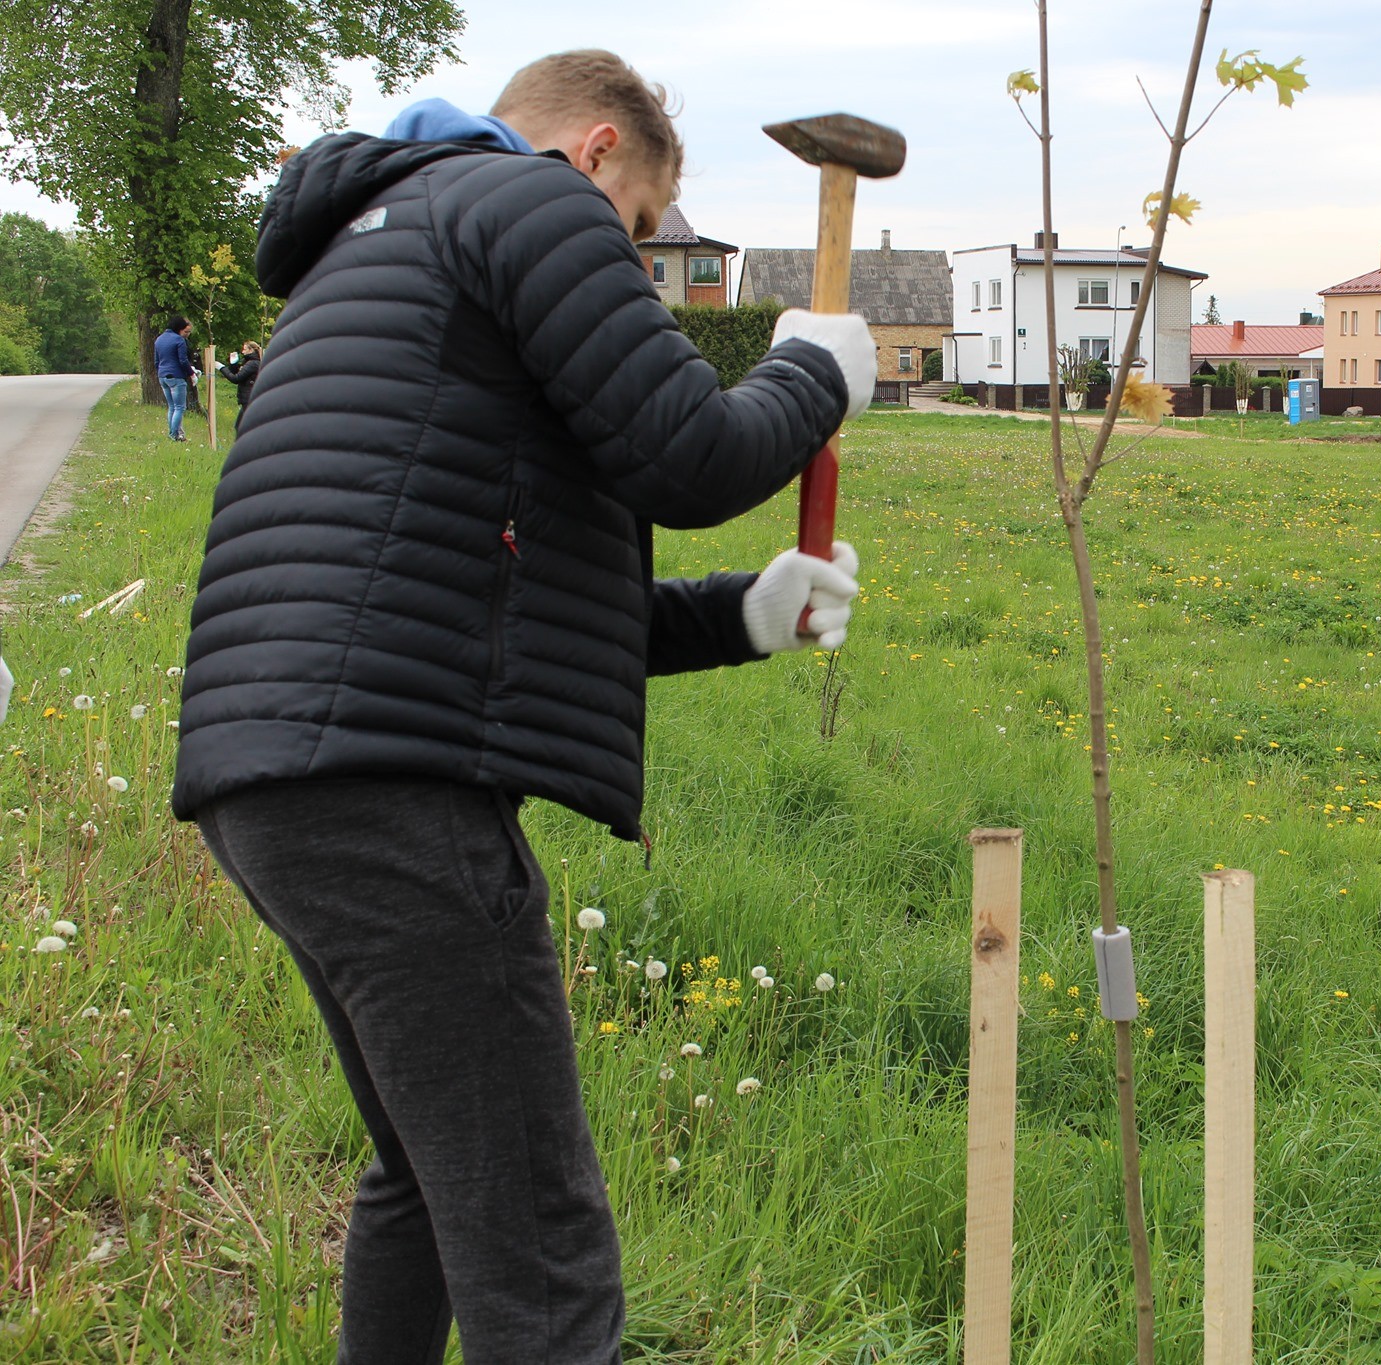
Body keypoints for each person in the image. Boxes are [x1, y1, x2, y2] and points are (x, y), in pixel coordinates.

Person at [169, 49, 877, 1365]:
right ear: (598, 151)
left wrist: (741, 615)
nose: (636, 262)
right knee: (541, 1256)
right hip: (392, 792)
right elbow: (692, 453)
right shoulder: (532, 201)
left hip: (278, 777)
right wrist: (814, 373)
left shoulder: (375, 255)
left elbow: (494, 591)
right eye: (645, 234)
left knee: (433, 1186)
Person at [153, 316, 197, 440]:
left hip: (162, 376)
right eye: (186, 331)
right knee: (180, 407)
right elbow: (183, 360)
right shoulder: (179, 340)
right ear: (179, 328)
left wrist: (161, 371)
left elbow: (156, 361)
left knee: (171, 407)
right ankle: (173, 435)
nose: (187, 335)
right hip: (176, 376)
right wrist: (191, 373)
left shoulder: (159, 339)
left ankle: (173, 433)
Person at [218, 340, 261, 431]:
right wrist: (233, 364)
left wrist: (221, 368)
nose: (242, 352)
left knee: (245, 427)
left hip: (249, 398)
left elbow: (236, 378)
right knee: (239, 426)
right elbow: (237, 372)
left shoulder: (252, 363)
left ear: (251, 350)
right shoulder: (248, 362)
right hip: (248, 397)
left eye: (245, 349)